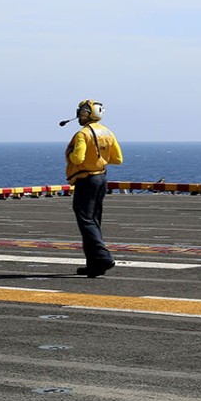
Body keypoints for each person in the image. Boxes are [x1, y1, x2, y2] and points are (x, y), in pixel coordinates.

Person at [64, 98, 123, 277]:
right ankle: (94, 264)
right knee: (94, 220)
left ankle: (103, 257)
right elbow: (117, 159)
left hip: (86, 180)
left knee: (86, 220)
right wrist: (99, 158)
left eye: (81, 112)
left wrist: (70, 154)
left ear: (86, 114)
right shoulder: (107, 132)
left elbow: (77, 159)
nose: (79, 116)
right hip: (101, 178)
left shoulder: (82, 134)